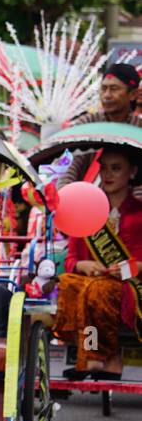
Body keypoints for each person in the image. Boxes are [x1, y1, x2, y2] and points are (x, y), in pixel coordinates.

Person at [53, 147, 142, 379]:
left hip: (130, 285)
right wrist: (84, 265)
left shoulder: (140, 213)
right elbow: (71, 259)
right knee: (68, 283)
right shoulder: (86, 210)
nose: (108, 175)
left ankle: (106, 357)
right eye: (104, 168)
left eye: (116, 168)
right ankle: (92, 355)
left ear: (132, 172)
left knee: (96, 291)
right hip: (91, 281)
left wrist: (127, 268)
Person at [57, 64, 142, 191]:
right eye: (103, 89)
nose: (107, 95)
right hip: (86, 200)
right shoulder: (87, 124)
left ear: (133, 94)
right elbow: (69, 165)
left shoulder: (139, 129)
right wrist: (67, 195)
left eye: (114, 89)